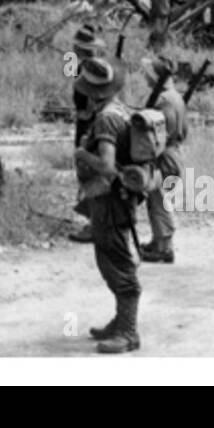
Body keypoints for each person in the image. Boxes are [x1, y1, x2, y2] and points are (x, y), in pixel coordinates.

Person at [73, 56, 144, 354]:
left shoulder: (105, 119)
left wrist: (81, 155)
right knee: (109, 258)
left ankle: (128, 332)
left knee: (116, 261)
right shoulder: (121, 110)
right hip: (113, 198)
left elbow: (106, 164)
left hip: (111, 199)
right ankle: (120, 321)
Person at [138, 55, 188, 264]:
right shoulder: (175, 97)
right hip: (173, 153)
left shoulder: (163, 101)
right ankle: (158, 241)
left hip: (164, 156)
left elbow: (157, 135)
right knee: (157, 199)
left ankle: (164, 249)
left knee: (159, 200)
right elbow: (183, 130)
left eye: (148, 74)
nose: (145, 78)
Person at [67, 24, 109, 244]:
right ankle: (96, 219)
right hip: (89, 119)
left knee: (89, 170)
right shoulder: (86, 64)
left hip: (89, 121)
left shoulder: (92, 69)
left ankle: (95, 223)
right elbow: (69, 74)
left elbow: (88, 98)